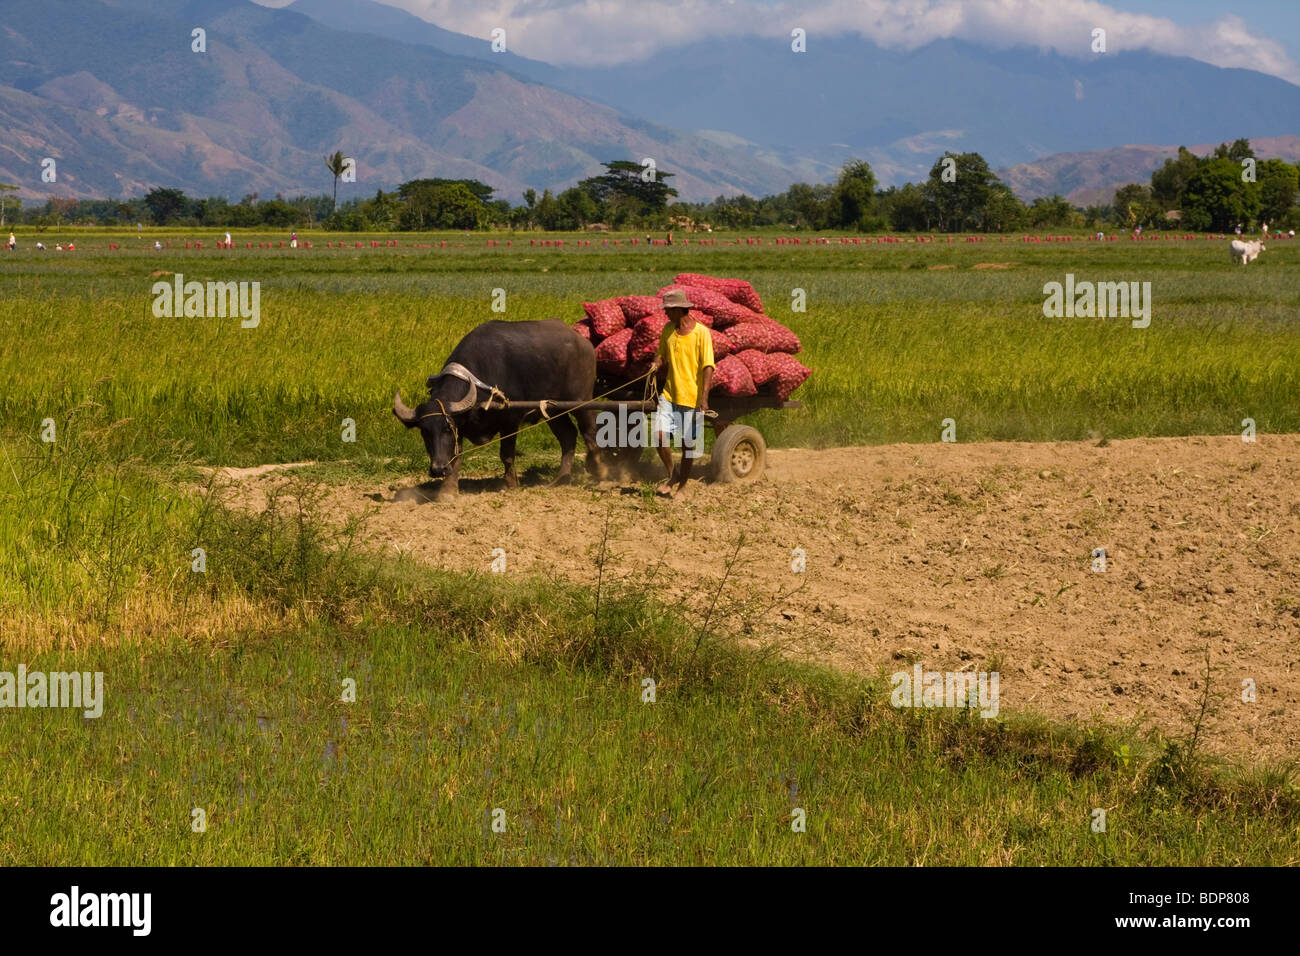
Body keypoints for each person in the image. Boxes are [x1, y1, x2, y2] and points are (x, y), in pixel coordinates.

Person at [647, 289, 714, 500]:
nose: (665, 314)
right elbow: (661, 355)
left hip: (691, 397)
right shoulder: (668, 330)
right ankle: (672, 474)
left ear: (678, 309)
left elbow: (708, 366)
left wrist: (703, 398)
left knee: (688, 444)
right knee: (659, 436)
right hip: (669, 394)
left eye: (668, 310)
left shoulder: (701, 333)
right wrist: (656, 364)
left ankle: (683, 486)